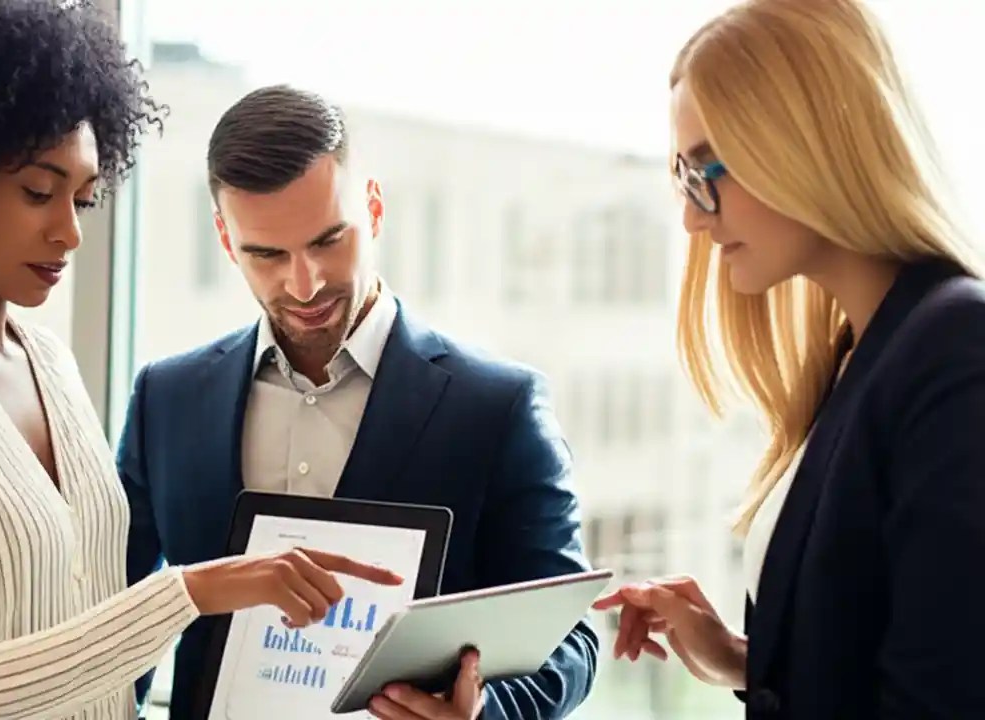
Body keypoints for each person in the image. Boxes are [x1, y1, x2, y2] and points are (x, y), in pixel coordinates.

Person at [0, 4, 401, 720]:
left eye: (82, 198)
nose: (70, 233)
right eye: (39, 193)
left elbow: (93, 642)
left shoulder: (49, 362)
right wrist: (195, 591)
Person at [117, 84, 598, 720]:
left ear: (372, 210)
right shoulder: (166, 399)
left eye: (327, 240)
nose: (304, 282)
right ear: (226, 239)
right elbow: (116, 620)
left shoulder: (499, 406)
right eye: (267, 254)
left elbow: (571, 639)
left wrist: (483, 713)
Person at [592, 0, 985, 717]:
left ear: (808, 142)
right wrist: (743, 658)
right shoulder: (860, 359)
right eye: (681, 176)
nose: (691, 214)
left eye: (706, 169)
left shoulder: (954, 350)